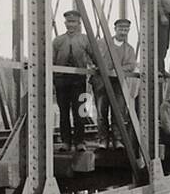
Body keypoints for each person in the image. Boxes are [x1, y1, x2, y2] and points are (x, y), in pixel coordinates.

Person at [52, 9, 95, 150]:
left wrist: (96, 68)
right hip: (61, 82)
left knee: (80, 112)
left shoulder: (85, 39)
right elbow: (51, 61)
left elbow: (94, 57)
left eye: (73, 22)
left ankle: (79, 142)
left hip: (79, 81)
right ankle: (66, 142)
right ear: (65, 23)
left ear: (79, 23)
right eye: (68, 22)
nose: (71, 24)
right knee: (63, 112)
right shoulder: (58, 41)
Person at [95, 17, 139, 147]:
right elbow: (94, 57)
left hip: (118, 83)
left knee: (118, 112)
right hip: (101, 82)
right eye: (121, 29)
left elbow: (131, 65)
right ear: (115, 29)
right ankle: (102, 139)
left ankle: (117, 139)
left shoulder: (129, 49)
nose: (123, 32)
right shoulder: (102, 43)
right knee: (101, 112)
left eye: (126, 29)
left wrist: (116, 70)